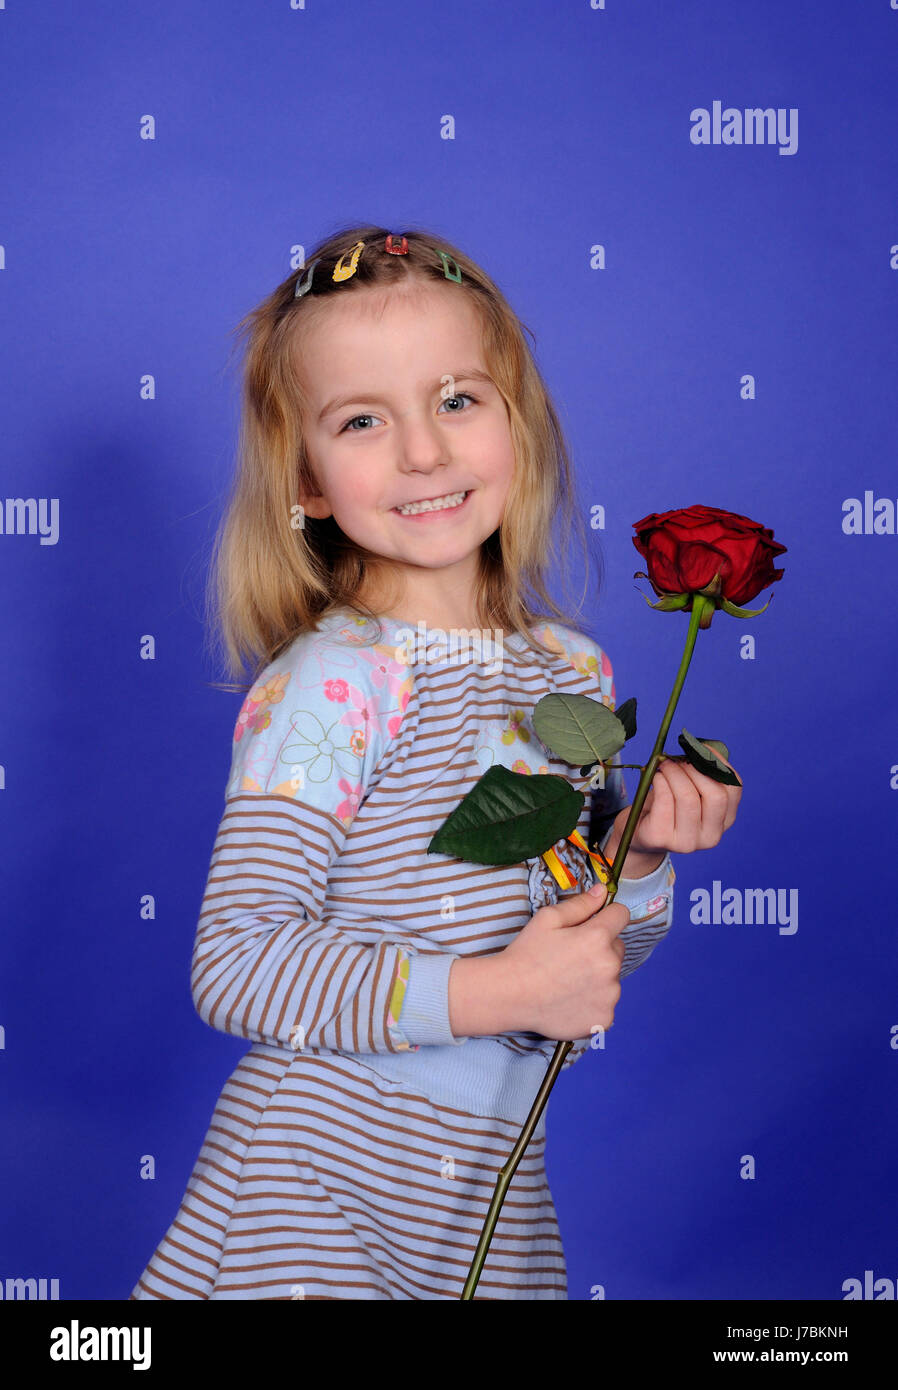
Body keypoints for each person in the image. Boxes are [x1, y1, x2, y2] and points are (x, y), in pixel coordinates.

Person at [128, 224, 741, 1301]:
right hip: (315, 1189)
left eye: (458, 398)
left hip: (486, 1198)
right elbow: (234, 960)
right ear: (306, 480)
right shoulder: (337, 679)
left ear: (521, 423)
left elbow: (583, 967)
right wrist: (494, 985)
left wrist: (635, 859)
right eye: (362, 419)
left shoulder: (571, 674)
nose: (423, 451)